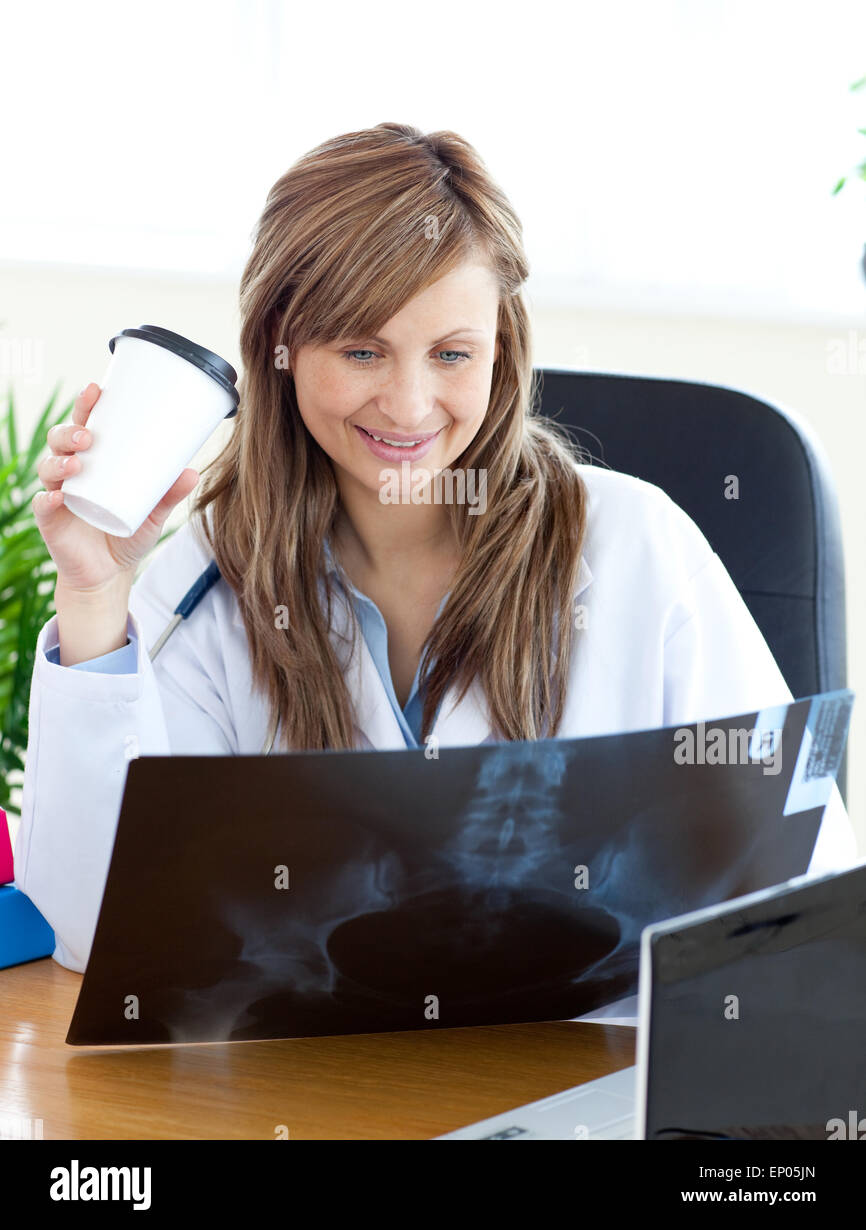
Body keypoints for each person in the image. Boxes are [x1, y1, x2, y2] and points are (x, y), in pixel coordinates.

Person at [13, 122, 857, 1025]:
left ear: (502, 345)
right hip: (308, 1102)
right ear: (279, 347)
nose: (410, 405)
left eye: (452, 354)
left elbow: (807, 912)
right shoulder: (205, 582)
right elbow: (97, 935)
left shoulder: (640, 551)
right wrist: (97, 593)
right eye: (362, 351)